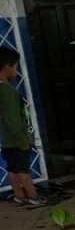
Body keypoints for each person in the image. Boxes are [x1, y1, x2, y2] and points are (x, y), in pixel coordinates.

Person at [0, 47, 46, 207]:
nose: (17, 71)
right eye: (16, 67)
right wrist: (22, 140)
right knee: (24, 171)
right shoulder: (8, 92)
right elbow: (13, 120)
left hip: (7, 141)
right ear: (7, 67)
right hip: (17, 140)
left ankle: (19, 196)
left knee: (12, 169)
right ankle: (33, 197)